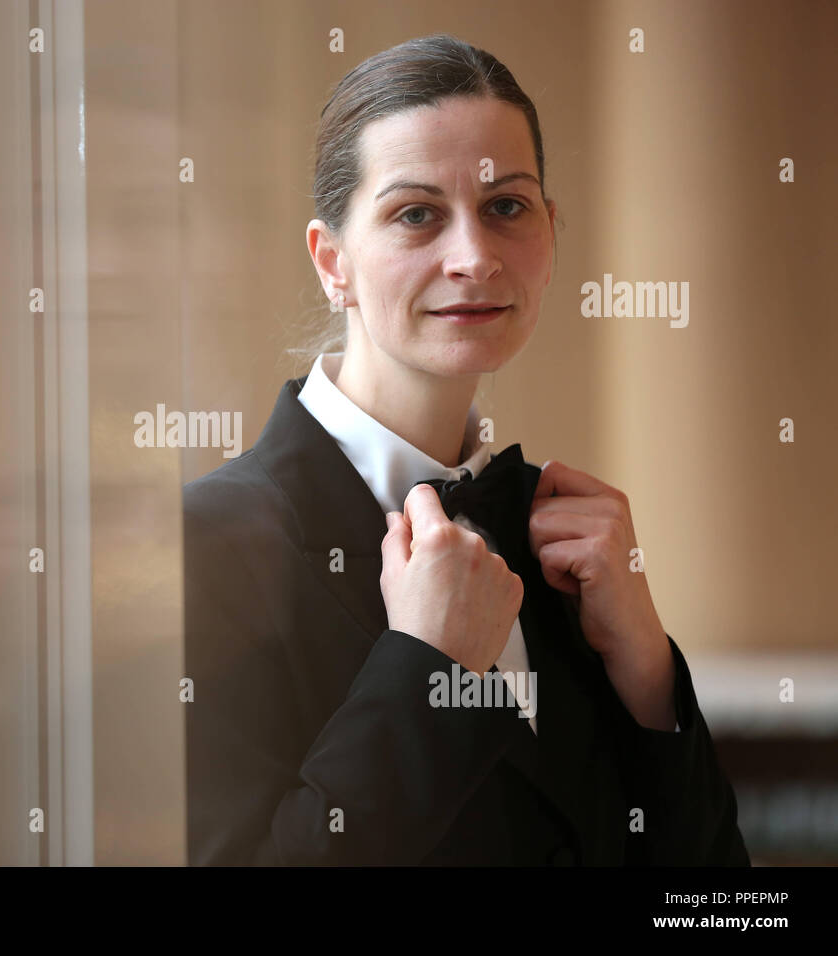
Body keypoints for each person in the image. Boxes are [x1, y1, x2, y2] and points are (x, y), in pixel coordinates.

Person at [182, 33, 750, 866]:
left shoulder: (565, 542)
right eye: (416, 214)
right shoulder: (207, 547)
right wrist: (427, 668)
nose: (474, 257)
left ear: (552, 236)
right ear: (332, 260)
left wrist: (646, 667)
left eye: (506, 208)